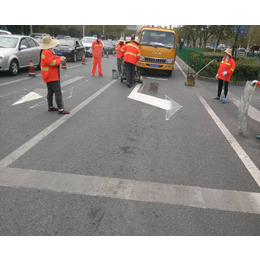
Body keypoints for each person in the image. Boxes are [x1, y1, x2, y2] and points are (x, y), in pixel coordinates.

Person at [40, 35, 69, 114]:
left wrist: (59, 57)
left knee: (50, 91)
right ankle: (60, 109)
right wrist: (61, 61)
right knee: (57, 91)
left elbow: (53, 58)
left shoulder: (47, 51)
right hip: (51, 75)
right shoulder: (46, 52)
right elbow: (52, 62)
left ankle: (50, 106)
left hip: (48, 75)